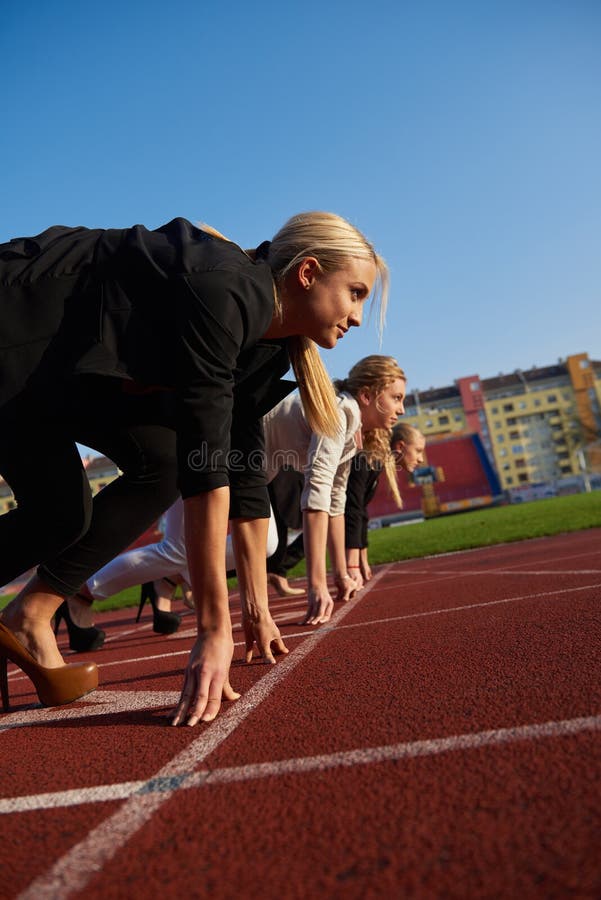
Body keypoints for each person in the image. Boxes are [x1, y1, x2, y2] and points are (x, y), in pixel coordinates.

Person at [0, 212, 388, 726]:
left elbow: (239, 465)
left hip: (61, 365)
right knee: (70, 507)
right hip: (16, 323)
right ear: (308, 273)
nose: (358, 317)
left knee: (132, 478)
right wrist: (213, 629)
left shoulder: (268, 344)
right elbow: (204, 474)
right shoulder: (226, 292)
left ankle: (31, 614)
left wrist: (256, 606)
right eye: (355, 293)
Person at [262, 355, 407, 625]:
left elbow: (336, 500)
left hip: (260, 467)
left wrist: (341, 574)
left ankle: (181, 571)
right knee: (186, 547)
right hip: (231, 451)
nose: (402, 409)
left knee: (266, 544)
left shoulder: (353, 429)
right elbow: (316, 493)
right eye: (396, 398)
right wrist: (317, 585)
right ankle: (177, 573)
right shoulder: (338, 415)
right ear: (367, 395)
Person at [345, 423, 426, 587]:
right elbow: (353, 510)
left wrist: (363, 560)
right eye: (418, 451)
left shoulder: (376, 461)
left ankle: (278, 569)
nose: (421, 458)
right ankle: (278, 569)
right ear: (400, 446)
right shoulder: (366, 459)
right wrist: (352, 566)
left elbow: (361, 512)